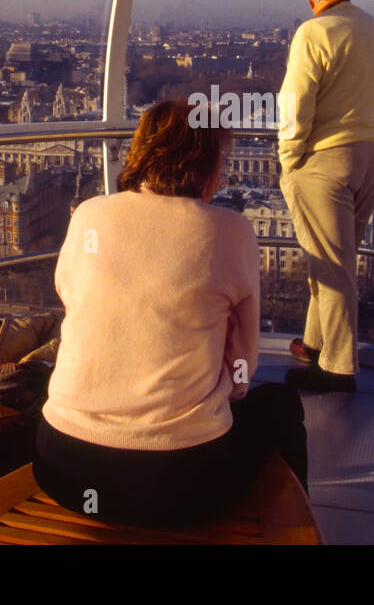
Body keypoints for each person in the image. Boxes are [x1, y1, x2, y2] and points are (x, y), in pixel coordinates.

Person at [33, 99, 308, 528]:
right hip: (178, 483)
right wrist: (221, 398)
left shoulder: (89, 214)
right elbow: (242, 368)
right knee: (281, 406)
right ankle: (288, 530)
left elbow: (72, 300)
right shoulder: (229, 230)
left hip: (61, 464)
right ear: (206, 165)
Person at [279, 0, 374, 393]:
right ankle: (316, 343)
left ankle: (339, 368)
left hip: (328, 158)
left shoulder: (313, 31)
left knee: (332, 263)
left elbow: (295, 103)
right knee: (335, 256)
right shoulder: (373, 28)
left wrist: (289, 159)